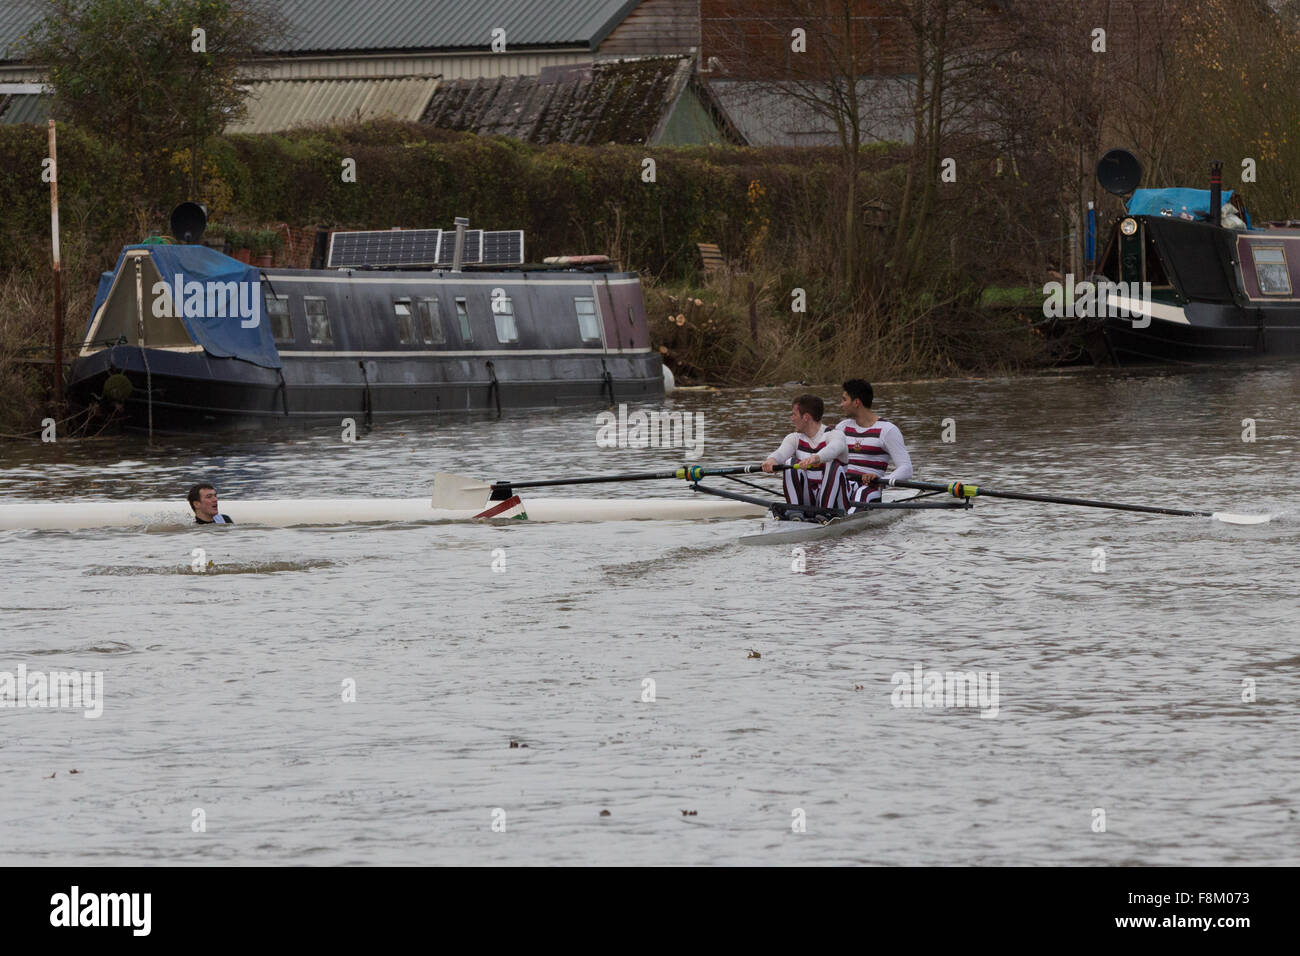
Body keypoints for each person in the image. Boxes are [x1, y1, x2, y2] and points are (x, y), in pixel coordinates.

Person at [760, 393, 849, 513]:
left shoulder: (835, 434)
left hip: (838, 503)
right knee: (790, 463)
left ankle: (826, 513)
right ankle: (795, 512)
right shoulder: (794, 438)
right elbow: (781, 453)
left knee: (832, 465)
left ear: (806, 417)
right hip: (811, 500)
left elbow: (834, 448)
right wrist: (771, 460)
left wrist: (816, 458)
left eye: (794, 414)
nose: (792, 418)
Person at [834, 379, 912, 511]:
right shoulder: (842, 427)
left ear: (856, 402)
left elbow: (906, 468)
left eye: (844, 400)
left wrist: (882, 480)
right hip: (845, 485)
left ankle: (845, 520)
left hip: (869, 489)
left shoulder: (887, 430)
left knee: (863, 492)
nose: (841, 404)